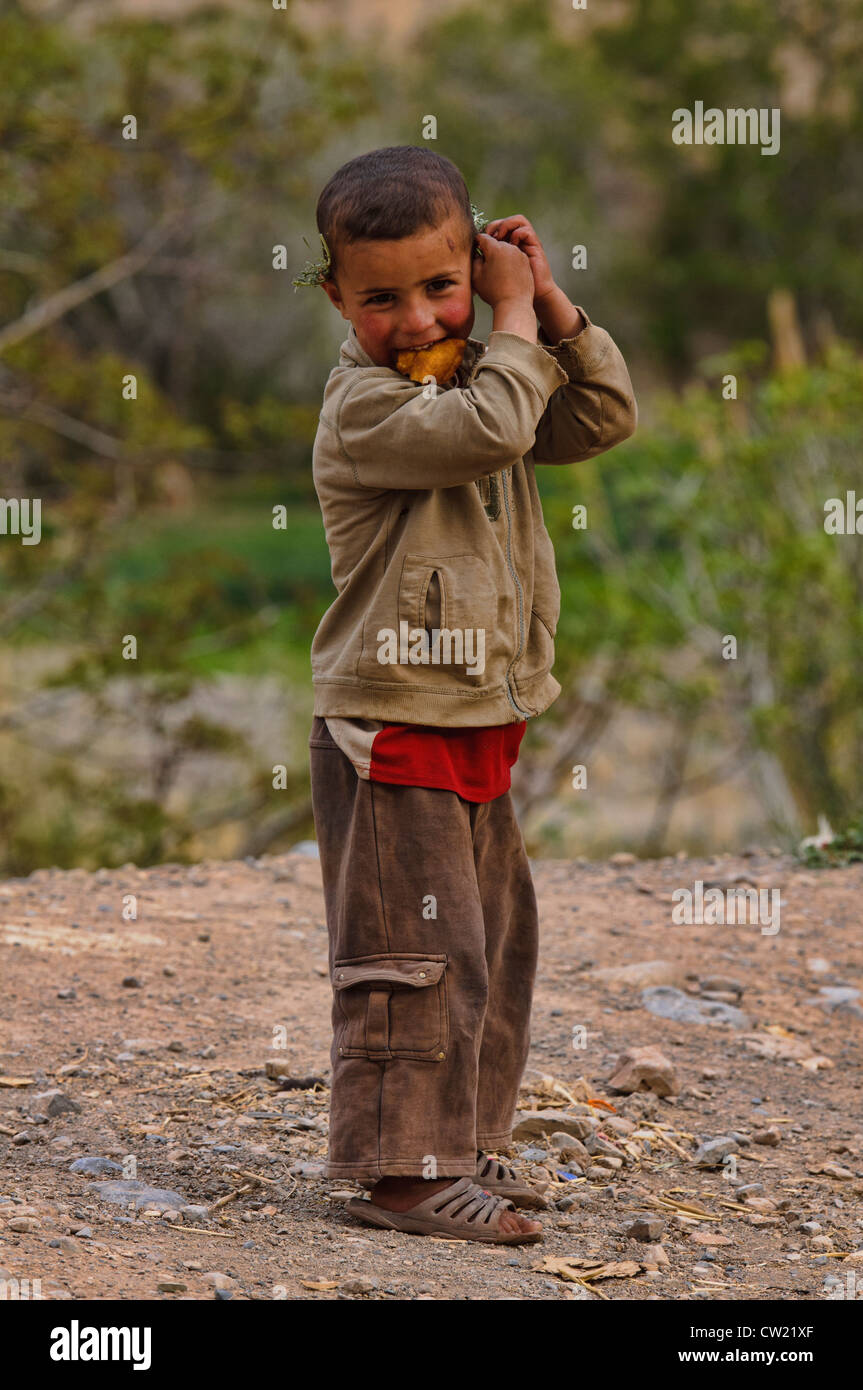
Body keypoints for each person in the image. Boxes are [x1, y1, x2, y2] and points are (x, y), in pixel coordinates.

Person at [303, 145, 637, 1243]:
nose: (413, 316)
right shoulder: (371, 408)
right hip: (394, 721)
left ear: (475, 267)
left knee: (492, 942)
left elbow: (595, 420)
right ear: (334, 299)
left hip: (480, 712)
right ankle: (400, 1172)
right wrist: (503, 325)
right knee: (415, 951)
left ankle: (466, 1147)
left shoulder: (479, 370)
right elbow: (495, 426)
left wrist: (545, 305)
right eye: (378, 296)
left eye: (440, 284)